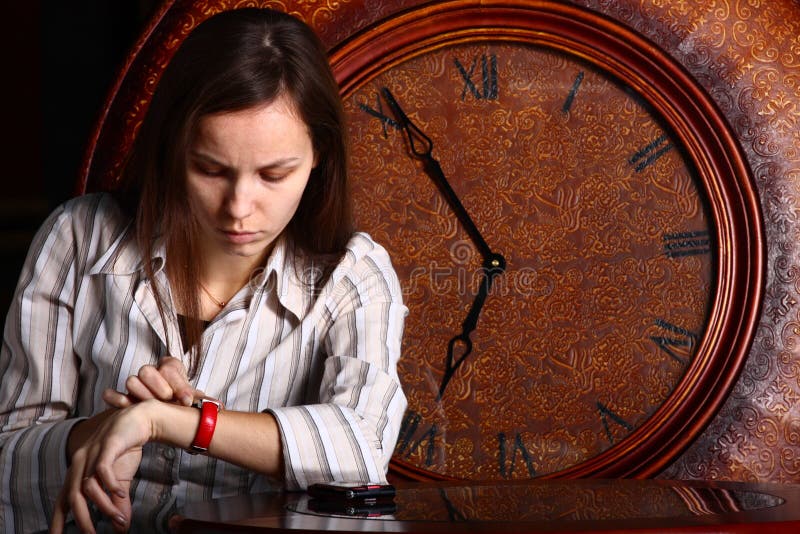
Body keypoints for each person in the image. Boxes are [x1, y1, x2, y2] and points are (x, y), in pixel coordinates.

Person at [0, 8, 407, 533]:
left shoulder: (354, 274)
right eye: (210, 169)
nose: (239, 206)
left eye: (273, 174)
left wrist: (169, 422)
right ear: (172, 149)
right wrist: (103, 432)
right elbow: (8, 455)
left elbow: (363, 446)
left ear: (319, 157)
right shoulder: (79, 239)